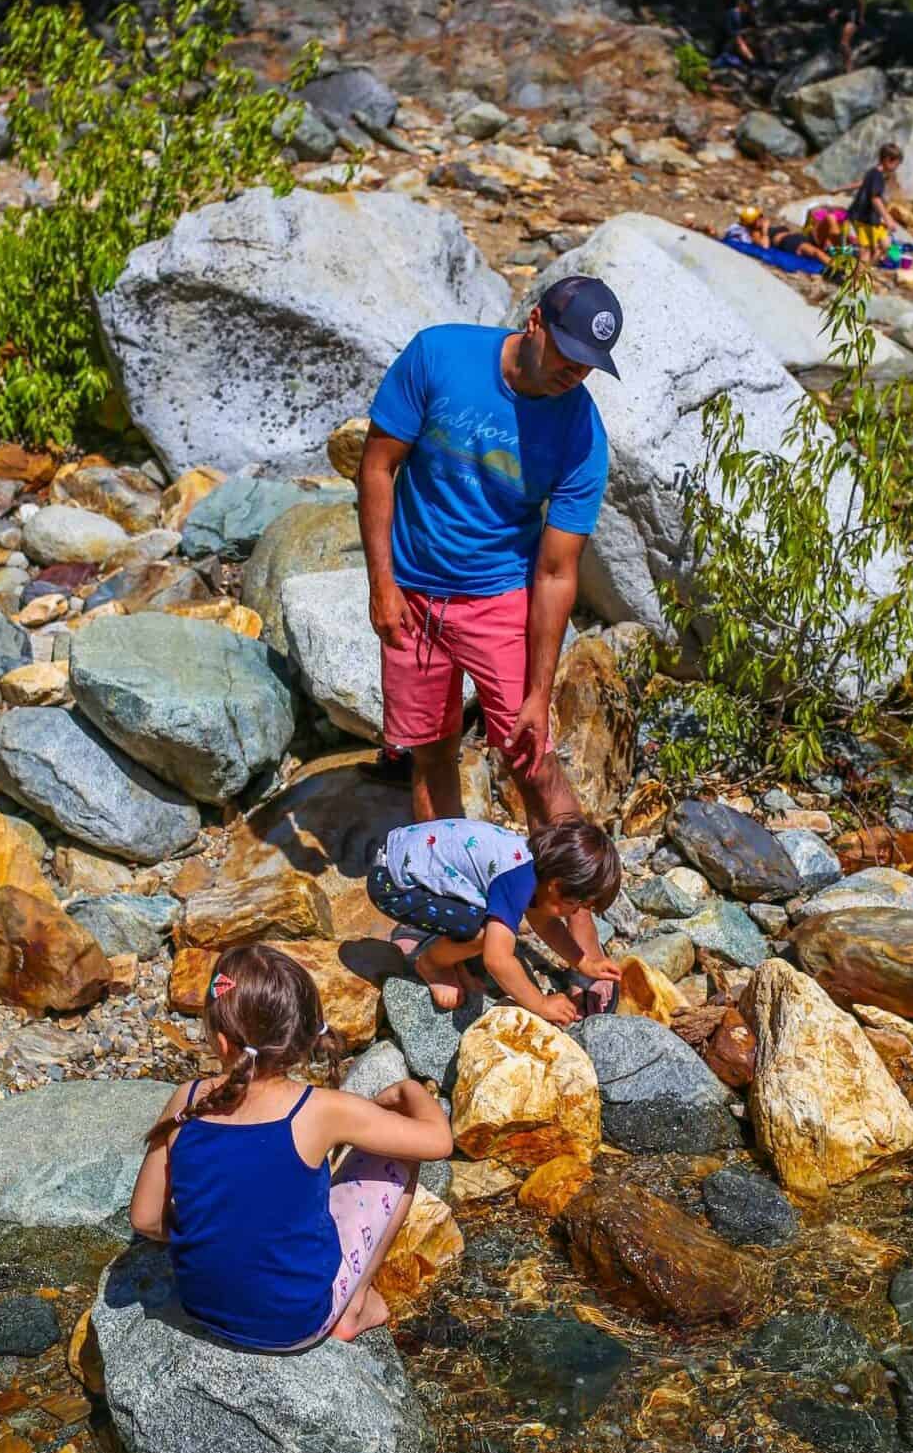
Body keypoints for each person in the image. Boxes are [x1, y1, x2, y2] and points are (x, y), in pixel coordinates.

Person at [358, 275, 619, 970]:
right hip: (412, 592)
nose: (572, 373)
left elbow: (557, 571)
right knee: (431, 748)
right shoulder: (439, 356)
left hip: (498, 598)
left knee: (533, 761)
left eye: (586, 364)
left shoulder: (581, 435)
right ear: (533, 322)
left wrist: (538, 691)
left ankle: (582, 948)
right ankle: (453, 924)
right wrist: (381, 585)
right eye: (563, 352)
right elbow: (378, 468)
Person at [129, 943, 452, 1350]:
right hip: (295, 1324)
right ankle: (353, 1309)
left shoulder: (187, 1098)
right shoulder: (321, 1109)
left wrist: (213, 1233)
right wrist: (410, 1089)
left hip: (200, 1309)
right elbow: (438, 1141)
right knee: (401, 1153)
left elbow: (144, 1220)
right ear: (302, 1037)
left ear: (222, 1041)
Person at [368, 814, 623, 1021]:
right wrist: (541, 1003)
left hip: (402, 853)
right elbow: (497, 960)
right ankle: (432, 964)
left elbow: (544, 922)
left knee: (489, 924)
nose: (577, 913)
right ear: (555, 887)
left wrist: (584, 962)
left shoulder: (538, 865)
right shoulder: (517, 880)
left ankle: (450, 951)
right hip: (393, 885)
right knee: (483, 934)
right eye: (575, 904)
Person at [847, 141, 905, 259]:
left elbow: (862, 184)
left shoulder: (873, 173)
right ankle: (859, 276)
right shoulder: (877, 176)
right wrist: (887, 218)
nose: (896, 168)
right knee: (866, 251)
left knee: (884, 245)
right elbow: (875, 198)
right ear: (888, 160)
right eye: (896, 164)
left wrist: (842, 188)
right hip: (862, 218)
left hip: (869, 218)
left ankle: (866, 270)